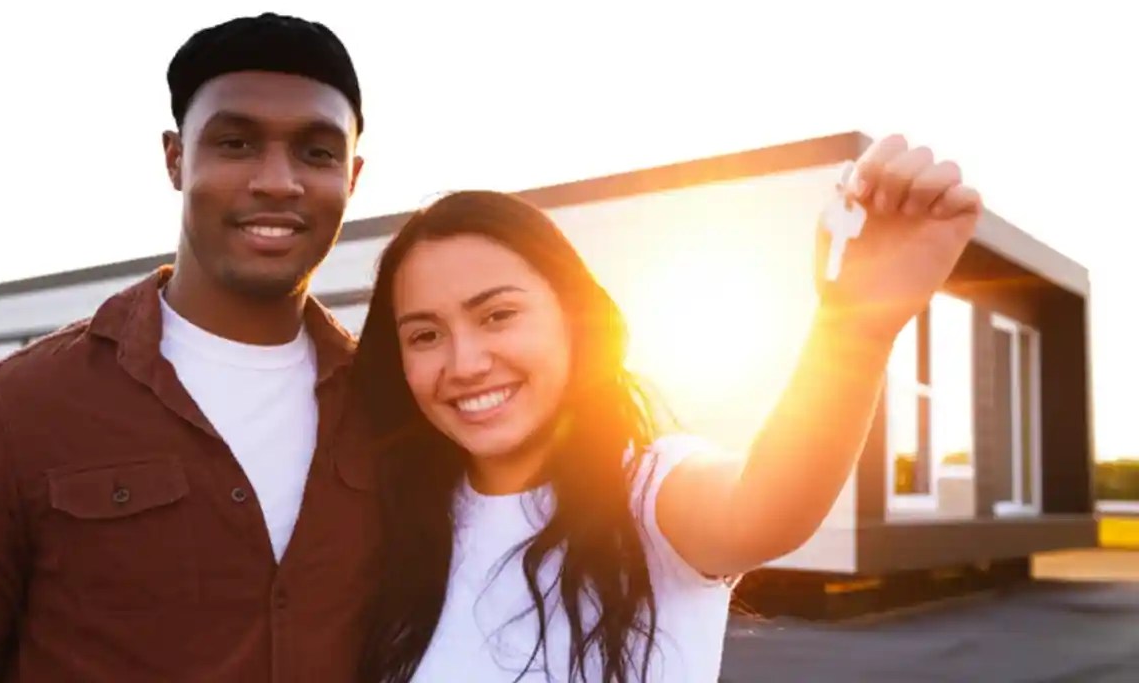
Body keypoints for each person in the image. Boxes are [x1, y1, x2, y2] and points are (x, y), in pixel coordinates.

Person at [0, 13, 382, 682]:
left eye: (317, 152)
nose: (278, 180)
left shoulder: (396, 410)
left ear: (354, 175)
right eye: (236, 143)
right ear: (175, 158)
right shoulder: (7, 413)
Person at [351, 137, 981, 682]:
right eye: (425, 334)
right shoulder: (400, 517)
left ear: (574, 319)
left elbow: (763, 509)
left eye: (498, 315)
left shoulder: (652, 490)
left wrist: (854, 328)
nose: (464, 363)